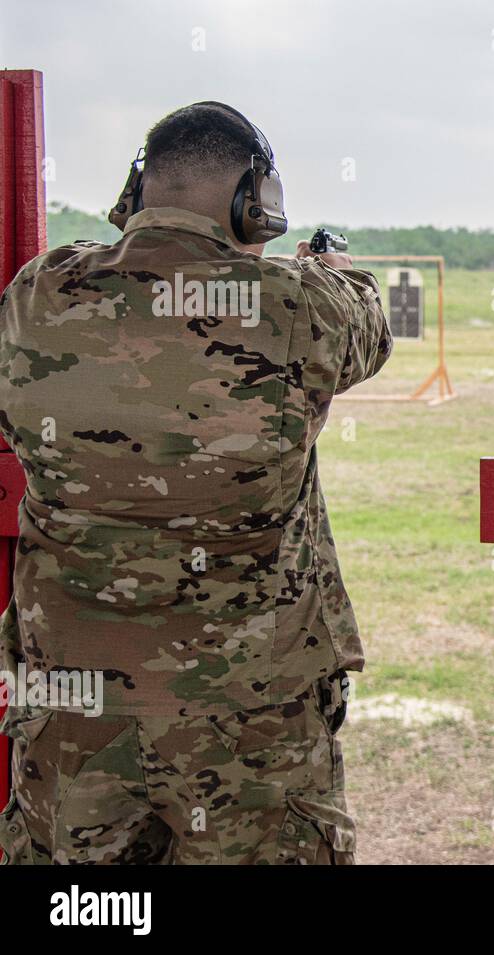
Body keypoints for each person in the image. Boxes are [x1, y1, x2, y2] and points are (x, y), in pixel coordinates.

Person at [0, 102, 391, 864]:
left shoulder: (37, 296)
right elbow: (368, 320)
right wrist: (326, 267)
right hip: (244, 715)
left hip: (73, 708)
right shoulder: (294, 305)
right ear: (254, 202)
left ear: (139, 189)